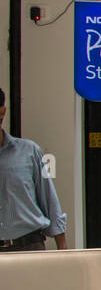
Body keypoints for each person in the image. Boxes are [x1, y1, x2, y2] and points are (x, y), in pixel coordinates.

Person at [0, 87, 68, 253]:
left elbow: (48, 198)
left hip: (28, 247)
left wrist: (63, 249)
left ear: (2, 111)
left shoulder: (30, 151)